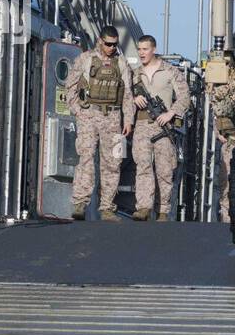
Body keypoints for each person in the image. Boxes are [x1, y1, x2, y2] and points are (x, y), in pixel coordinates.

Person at [66, 26, 134, 221]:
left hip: (113, 118)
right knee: (86, 159)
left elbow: (128, 94)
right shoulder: (85, 59)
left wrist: (128, 119)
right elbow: (70, 86)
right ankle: (80, 203)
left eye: (115, 44)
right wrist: (78, 111)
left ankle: (107, 208)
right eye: (108, 44)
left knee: (113, 163)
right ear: (100, 41)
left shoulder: (121, 63)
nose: (111, 48)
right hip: (89, 115)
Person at [131, 34, 190, 221]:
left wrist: (171, 113)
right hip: (141, 125)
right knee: (143, 167)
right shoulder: (134, 73)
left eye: (145, 49)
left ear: (153, 49)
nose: (142, 53)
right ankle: (143, 207)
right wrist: (133, 98)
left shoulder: (170, 71)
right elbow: (124, 96)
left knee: (164, 170)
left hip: (163, 126)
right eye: (139, 49)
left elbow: (184, 97)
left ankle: (163, 210)